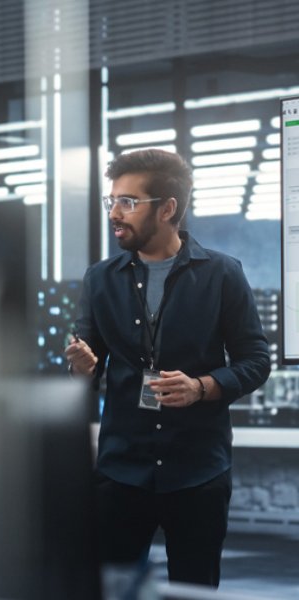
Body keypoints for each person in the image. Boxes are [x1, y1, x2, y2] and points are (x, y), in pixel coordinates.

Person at [65, 149, 270, 587]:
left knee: (194, 590)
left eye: (129, 203)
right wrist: (82, 367)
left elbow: (256, 360)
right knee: (110, 588)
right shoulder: (100, 279)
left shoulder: (223, 274)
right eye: (112, 201)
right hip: (122, 470)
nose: (115, 213)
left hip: (198, 471)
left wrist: (203, 386)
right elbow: (89, 365)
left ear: (168, 208)